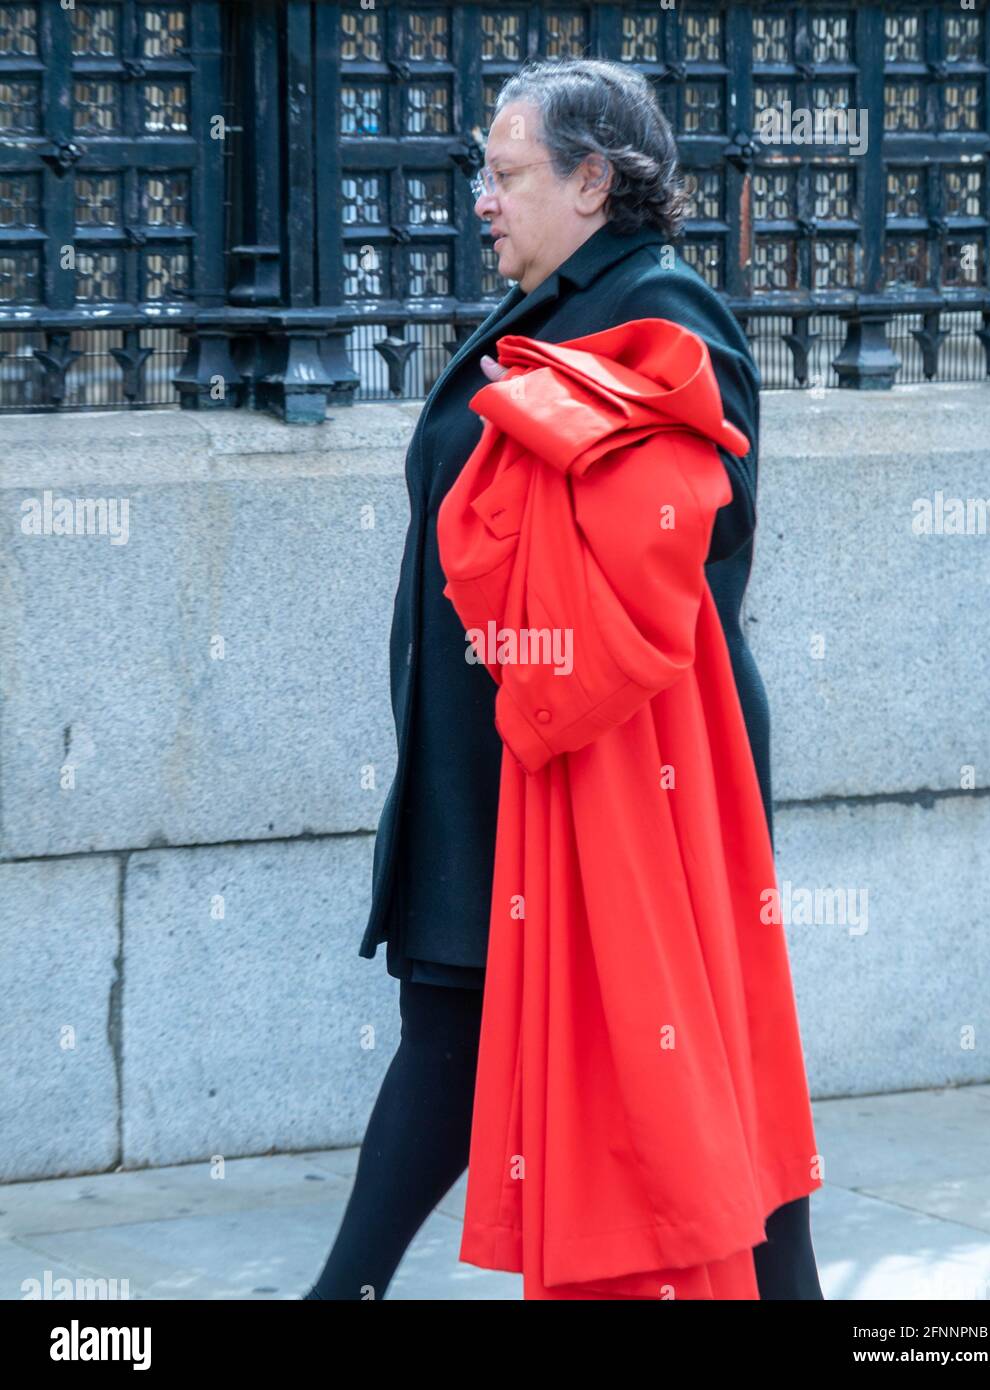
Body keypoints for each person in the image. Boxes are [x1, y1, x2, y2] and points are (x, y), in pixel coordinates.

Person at [305, 56, 822, 1301]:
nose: (481, 199)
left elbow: (703, 530)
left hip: (603, 770)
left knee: (657, 1051)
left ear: (594, 181)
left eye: (505, 173)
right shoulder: (543, 305)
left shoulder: (662, 313)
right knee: (463, 1020)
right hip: (485, 753)